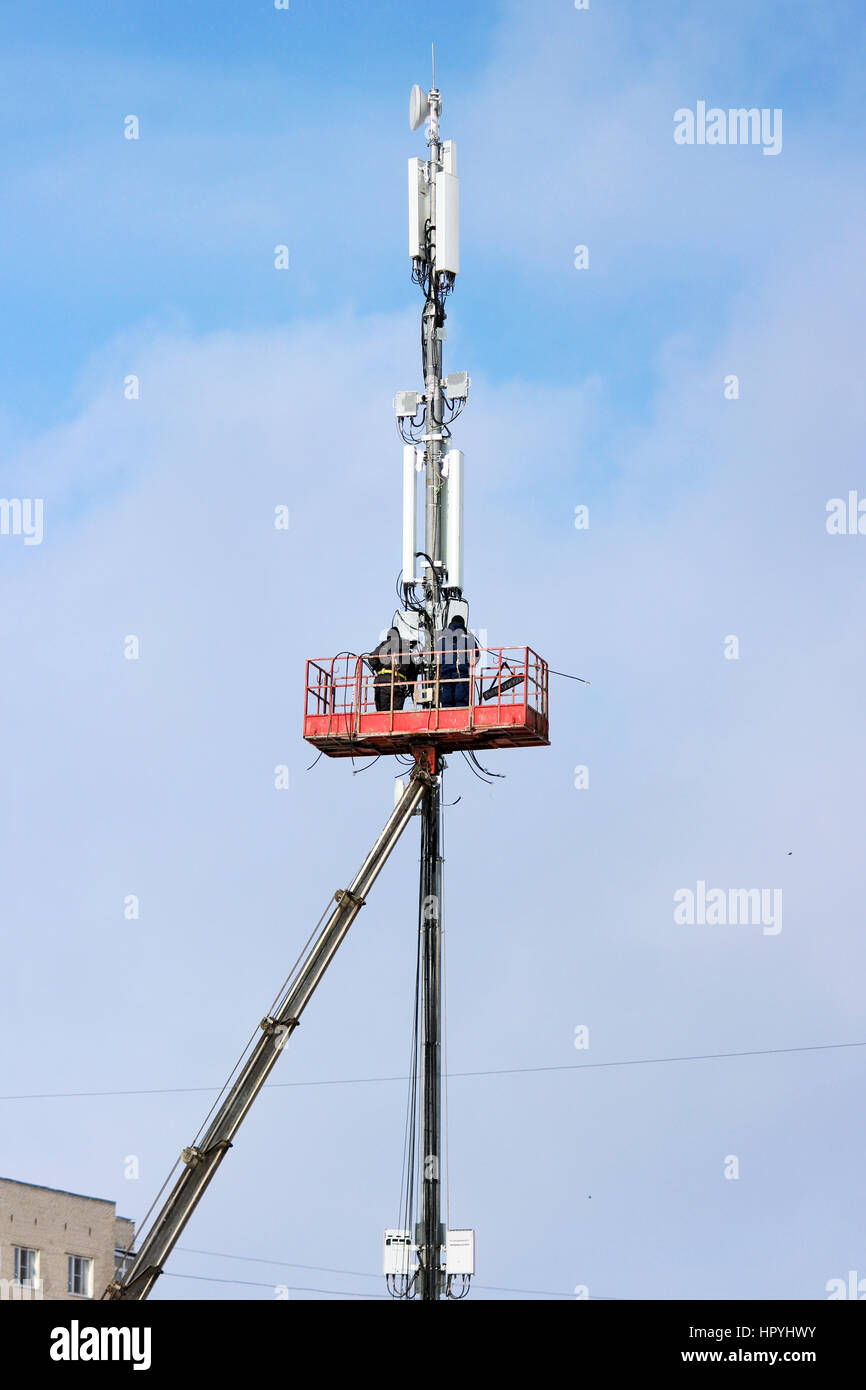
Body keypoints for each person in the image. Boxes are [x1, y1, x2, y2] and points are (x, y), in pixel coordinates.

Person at [435, 615, 480, 707]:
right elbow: (476, 656)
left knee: (447, 703)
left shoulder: (441, 639)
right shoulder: (468, 638)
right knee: (461, 703)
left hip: (445, 676)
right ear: (463, 624)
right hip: (462, 675)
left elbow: (436, 658)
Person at [366, 627, 414, 711]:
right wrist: (410, 686)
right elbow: (411, 669)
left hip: (383, 683)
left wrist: (380, 667)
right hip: (399, 685)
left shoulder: (385, 645)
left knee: (383, 713)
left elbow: (372, 659)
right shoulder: (405, 648)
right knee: (396, 715)